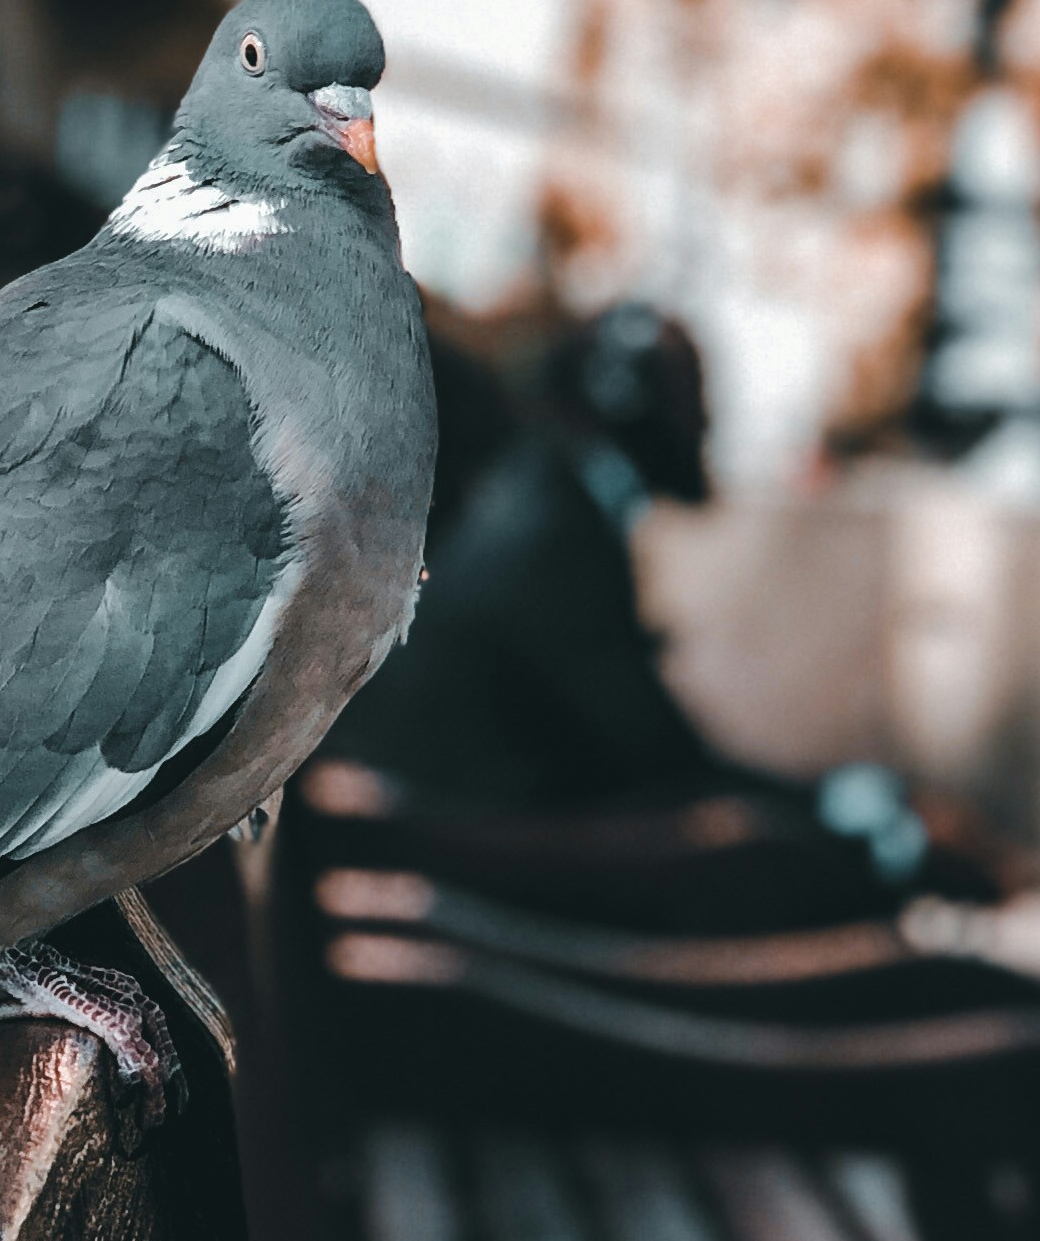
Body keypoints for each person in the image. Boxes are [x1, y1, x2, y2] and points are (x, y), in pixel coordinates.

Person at [325, 302, 985, 898]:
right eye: (688, 391)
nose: (704, 418)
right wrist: (863, 825)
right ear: (629, 401)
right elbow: (657, 764)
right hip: (485, 889)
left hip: (454, 854)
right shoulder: (557, 534)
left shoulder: (544, 495)